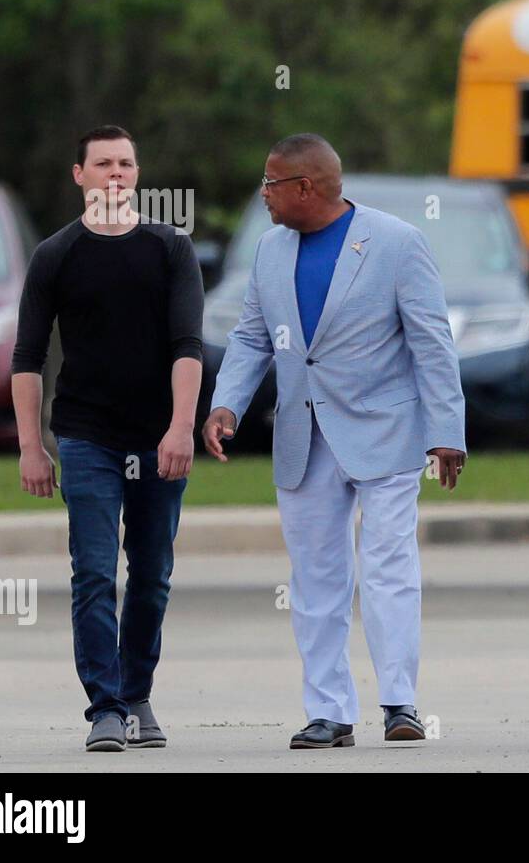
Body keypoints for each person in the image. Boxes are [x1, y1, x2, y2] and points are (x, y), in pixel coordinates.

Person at [202, 133, 465, 749]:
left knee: (388, 567)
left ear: (306, 187)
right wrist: (226, 403)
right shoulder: (269, 250)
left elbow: (431, 342)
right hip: (303, 436)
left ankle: (400, 702)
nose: (263, 194)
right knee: (316, 578)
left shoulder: (397, 242)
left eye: (271, 183)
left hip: (386, 431)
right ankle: (329, 712)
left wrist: (446, 431)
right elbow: (251, 337)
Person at [11, 125, 204, 752]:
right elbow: (27, 358)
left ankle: (136, 694)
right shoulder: (56, 254)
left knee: (151, 574)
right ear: (80, 175)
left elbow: (188, 345)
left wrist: (181, 428)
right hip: (85, 436)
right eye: (102, 164)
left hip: (156, 437)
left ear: (137, 174)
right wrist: (31, 446)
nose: (114, 174)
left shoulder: (170, 248)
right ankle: (105, 707)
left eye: (124, 163)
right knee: (94, 572)